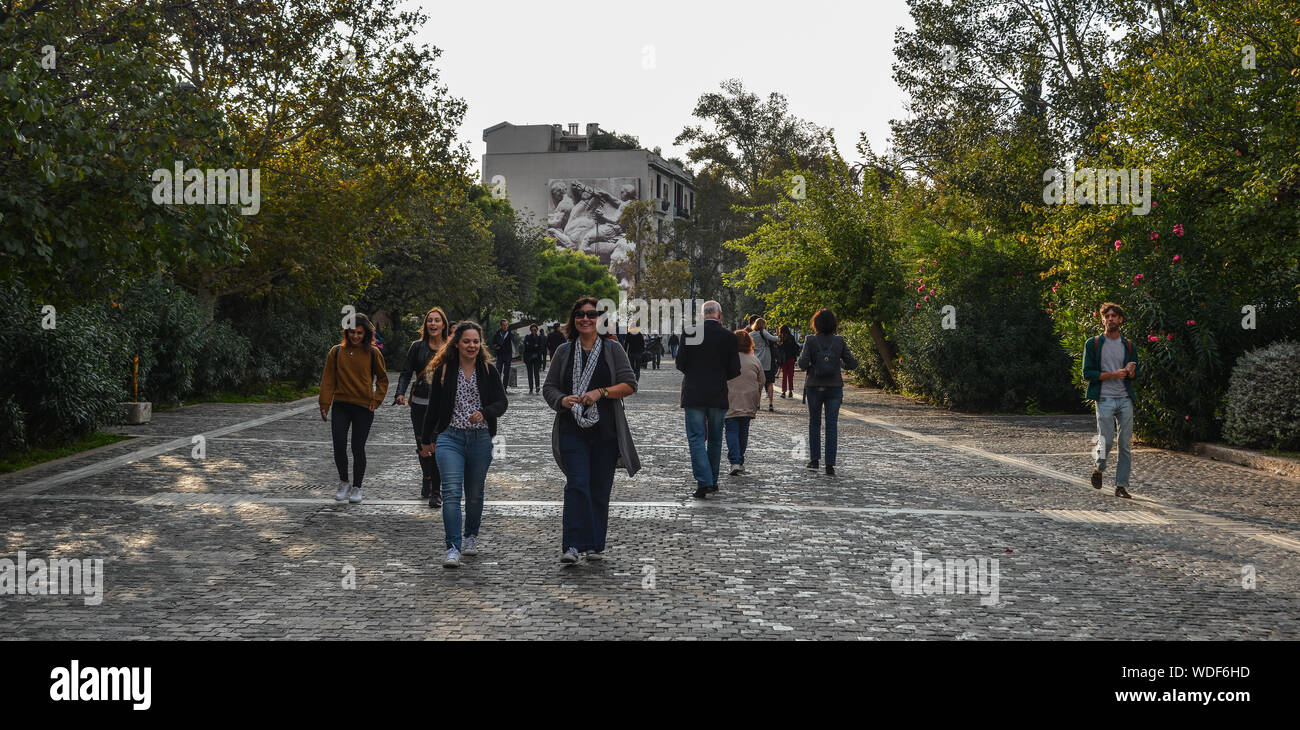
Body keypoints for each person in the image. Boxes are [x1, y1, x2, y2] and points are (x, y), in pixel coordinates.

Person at [543, 297, 640, 564]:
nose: (585, 319)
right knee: (577, 484)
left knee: (599, 488)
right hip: (571, 429)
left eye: (590, 314)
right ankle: (572, 544)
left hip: (606, 431)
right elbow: (549, 388)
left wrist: (602, 392)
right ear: (573, 320)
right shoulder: (564, 352)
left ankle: (595, 543)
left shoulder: (612, 350)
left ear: (599, 319)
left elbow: (630, 384)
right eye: (579, 315)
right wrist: (562, 400)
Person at [419, 321, 509, 568]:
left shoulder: (488, 371)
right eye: (467, 341)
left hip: (480, 439)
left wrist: (484, 411)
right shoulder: (445, 370)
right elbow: (434, 408)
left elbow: (502, 403)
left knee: (475, 494)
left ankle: (471, 536)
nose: (472, 345)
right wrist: (426, 441)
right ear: (456, 343)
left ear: (481, 344)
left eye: (476, 341)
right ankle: (452, 547)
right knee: (450, 493)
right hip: (450, 438)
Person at [319, 313, 388, 504]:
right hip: (341, 405)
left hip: (364, 407)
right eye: (352, 333)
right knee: (339, 444)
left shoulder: (373, 353)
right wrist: (324, 403)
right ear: (346, 333)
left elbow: (383, 379)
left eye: (359, 333)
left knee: (358, 447)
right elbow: (328, 379)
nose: (355, 336)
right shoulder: (336, 351)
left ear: (365, 333)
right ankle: (344, 482)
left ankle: (357, 486)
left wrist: (377, 399)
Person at [677, 300, 741, 499]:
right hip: (717, 394)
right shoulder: (729, 337)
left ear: (702, 315)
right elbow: (735, 370)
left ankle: (704, 481)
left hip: (694, 393)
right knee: (715, 439)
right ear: (719, 315)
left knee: (696, 437)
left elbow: (680, 363)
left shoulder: (690, 332)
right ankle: (711, 480)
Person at [1082, 302, 1139, 499]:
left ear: (1120, 320)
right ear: (1102, 319)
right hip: (1104, 398)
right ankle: (1098, 468)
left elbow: (1135, 375)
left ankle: (1121, 486)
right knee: (1106, 440)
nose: (1110, 319)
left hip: (1125, 399)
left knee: (1125, 444)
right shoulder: (1093, 343)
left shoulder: (1129, 345)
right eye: (1107, 316)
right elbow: (1087, 373)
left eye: (1114, 316)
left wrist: (1130, 372)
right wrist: (1112, 374)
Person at [395, 307, 448, 507]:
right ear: (426, 325)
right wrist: (400, 392)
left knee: (437, 446)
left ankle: (436, 491)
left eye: (437, 320)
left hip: (441, 406)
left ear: (443, 324)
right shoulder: (417, 347)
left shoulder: (450, 347)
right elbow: (406, 372)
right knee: (423, 447)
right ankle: (427, 477)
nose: (433, 324)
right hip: (419, 404)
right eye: (429, 320)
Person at [797, 308, 858, 476]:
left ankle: (814, 460)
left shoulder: (810, 340)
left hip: (814, 386)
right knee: (832, 425)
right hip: (834, 387)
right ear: (834, 324)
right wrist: (839, 363)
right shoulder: (839, 341)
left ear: (815, 323)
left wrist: (810, 364)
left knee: (814, 423)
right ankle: (830, 464)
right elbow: (852, 363)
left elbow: (802, 364)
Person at [725, 330, 764, 477]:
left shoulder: (728, 358)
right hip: (749, 400)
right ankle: (739, 460)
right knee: (743, 431)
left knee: (731, 430)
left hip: (731, 399)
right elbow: (762, 381)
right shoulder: (754, 360)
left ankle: (735, 461)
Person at [749, 317, 779, 412]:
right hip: (767, 360)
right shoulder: (764, 332)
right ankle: (770, 404)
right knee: (769, 382)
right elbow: (774, 339)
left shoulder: (751, 334)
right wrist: (780, 335)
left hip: (756, 359)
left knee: (758, 384)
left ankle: (757, 404)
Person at [491, 319, 516, 392]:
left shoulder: (510, 334)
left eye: (506, 325)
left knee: (506, 372)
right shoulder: (497, 333)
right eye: (504, 325)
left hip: (508, 355)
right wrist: (496, 346)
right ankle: (498, 387)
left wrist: (514, 356)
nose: (505, 326)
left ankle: (504, 388)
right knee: (498, 371)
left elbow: (514, 345)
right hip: (500, 355)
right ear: (501, 325)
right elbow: (493, 343)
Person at [778, 324, 800, 399]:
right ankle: (790, 391)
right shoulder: (792, 337)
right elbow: (795, 347)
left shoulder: (781, 338)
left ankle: (784, 392)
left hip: (784, 359)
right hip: (791, 359)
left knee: (784, 376)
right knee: (790, 376)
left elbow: (780, 348)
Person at [523, 323, 546, 394]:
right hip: (528, 358)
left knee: (536, 373)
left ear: (537, 330)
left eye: (535, 330)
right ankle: (531, 388)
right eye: (532, 330)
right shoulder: (527, 337)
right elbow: (526, 347)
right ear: (530, 330)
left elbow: (541, 348)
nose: (534, 331)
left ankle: (537, 386)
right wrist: (534, 346)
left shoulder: (539, 338)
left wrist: (532, 346)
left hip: (537, 358)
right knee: (530, 374)